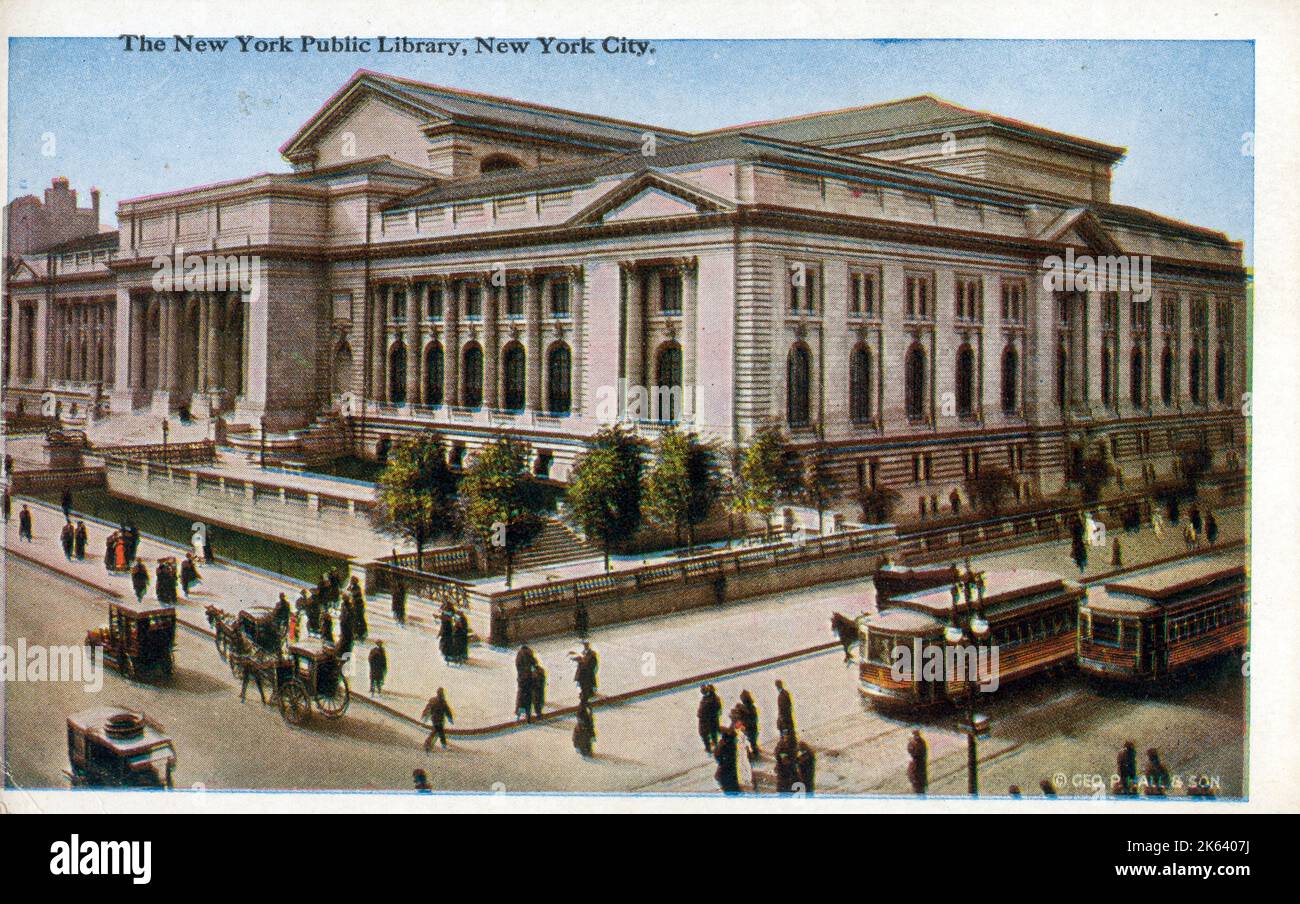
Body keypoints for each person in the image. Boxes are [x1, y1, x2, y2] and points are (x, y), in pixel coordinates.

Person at [714, 723, 741, 794]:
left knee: (727, 784)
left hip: (726, 769)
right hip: (729, 768)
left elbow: (717, 756)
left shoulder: (723, 744)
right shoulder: (732, 743)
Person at [515, 644, 537, 721]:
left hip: (521, 679)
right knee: (528, 697)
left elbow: (517, 666)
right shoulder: (529, 653)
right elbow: (534, 663)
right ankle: (528, 715)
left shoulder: (519, 655)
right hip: (528, 679)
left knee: (520, 696)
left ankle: (518, 713)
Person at [697, 684, 722, 753]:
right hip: (714, 719)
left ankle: (709, 748)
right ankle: (715, 745)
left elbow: (701, 712)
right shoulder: (716, 698)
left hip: (706, 720)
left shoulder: (706, 701)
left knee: (704, 734)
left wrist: (700, 715)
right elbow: (718, 709)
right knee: (713, 733)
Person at [735, 690, 760, 757]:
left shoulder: (749, 708)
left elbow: (750, 720)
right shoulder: (750, 707)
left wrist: (742, 720)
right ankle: (755, 751)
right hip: (751, 729)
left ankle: (756, 753)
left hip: (750, 729)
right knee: (752, 742)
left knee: (752, 742)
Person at [907, 729, 928, 795]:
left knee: (917, 781)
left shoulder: (915, 743)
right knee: (920, 780)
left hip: (917, 764)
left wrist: (910, 742)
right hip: (921, 764)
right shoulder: (922, 742)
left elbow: (911, 751)